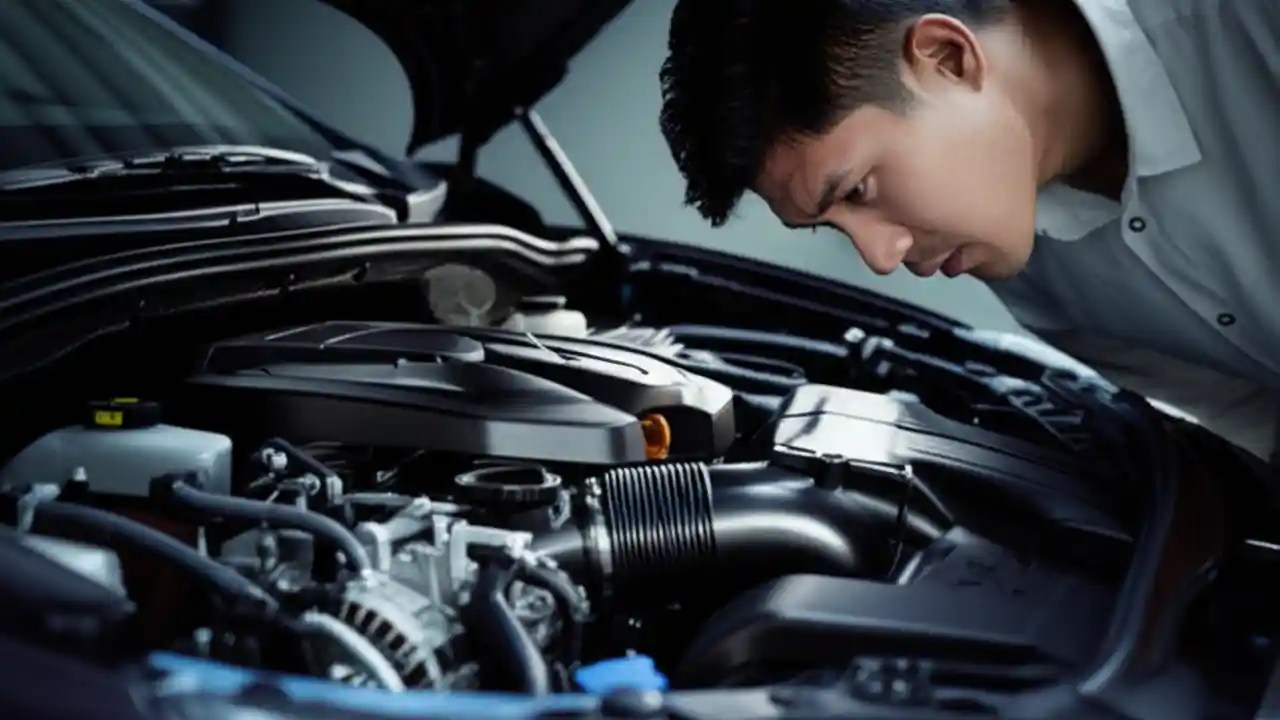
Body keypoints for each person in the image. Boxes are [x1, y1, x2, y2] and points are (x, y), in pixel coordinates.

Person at [656, 0, 1280, 461]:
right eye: (831, 228)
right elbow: (1258, 423)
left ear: (947, 59)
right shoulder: (1030, 270)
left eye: (858, 191)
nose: (880, 255)